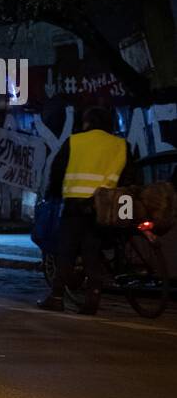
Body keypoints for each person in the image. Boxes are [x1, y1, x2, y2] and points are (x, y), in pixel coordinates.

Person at [38, 106, 134, 315]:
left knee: (67, 253)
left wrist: (54, 194)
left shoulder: (74, 141)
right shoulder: (121, 145)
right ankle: (93, 299)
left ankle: (56, 297)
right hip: (104, 208)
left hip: (75, 205)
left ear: (87, 123)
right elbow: (129, 179)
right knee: (92, 252)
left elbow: (57, 172)